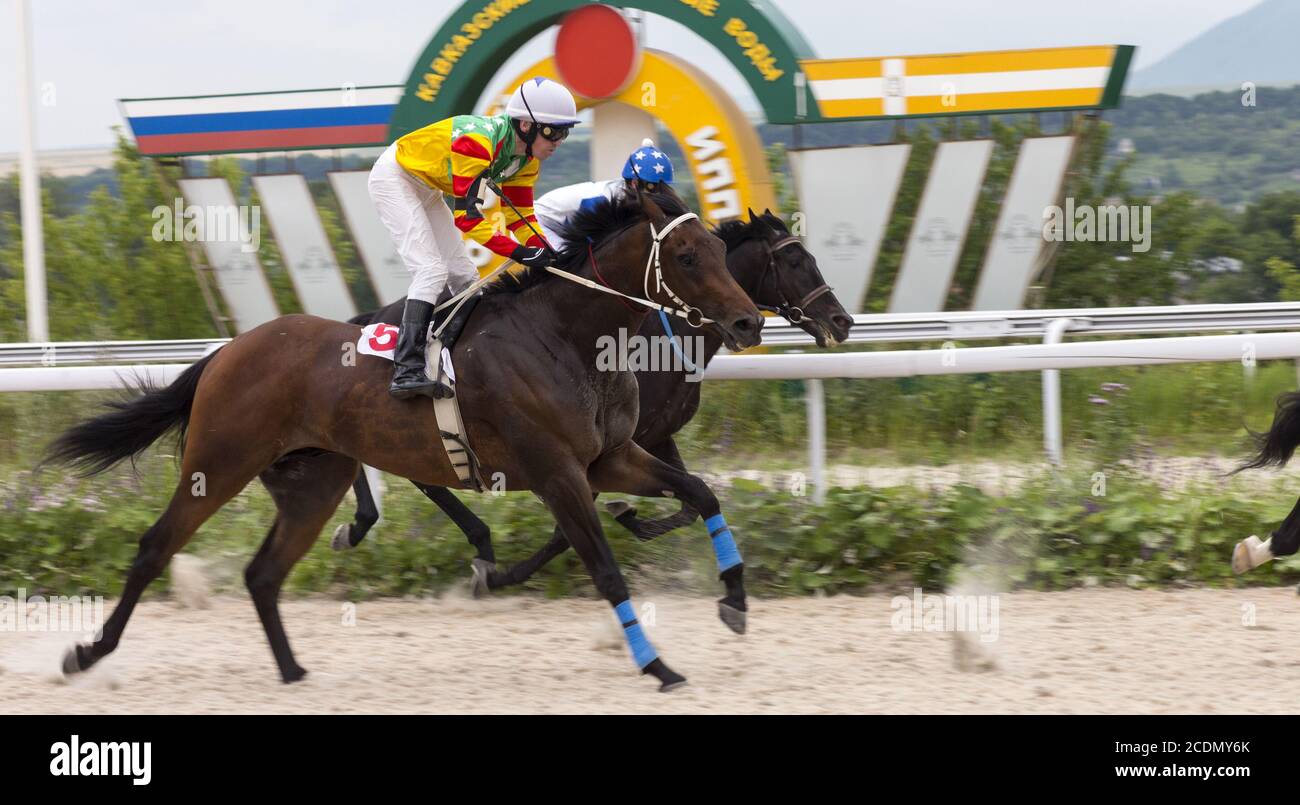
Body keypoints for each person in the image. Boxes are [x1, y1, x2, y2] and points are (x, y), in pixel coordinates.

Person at [368, 77, 580, 399]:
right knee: (431, 271)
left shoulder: (525, 162)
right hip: (395, 178)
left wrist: (548, 253)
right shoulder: (477, 142)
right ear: (525, 125)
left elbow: (521, 217)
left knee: (467, 277)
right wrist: (520, 253)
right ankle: (406, 370)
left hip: (427, 186)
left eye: (565, 132)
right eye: (553, 131)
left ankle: (445, 355)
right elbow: (467, 220)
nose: (558, 141)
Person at [533, 139, 676, 250]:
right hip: (540, 221)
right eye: (652, 188)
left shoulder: (627, 195)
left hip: (563, 228)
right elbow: (593, 242)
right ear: (634, 183)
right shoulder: (605, 199)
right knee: (567, 264)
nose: (658, 194)